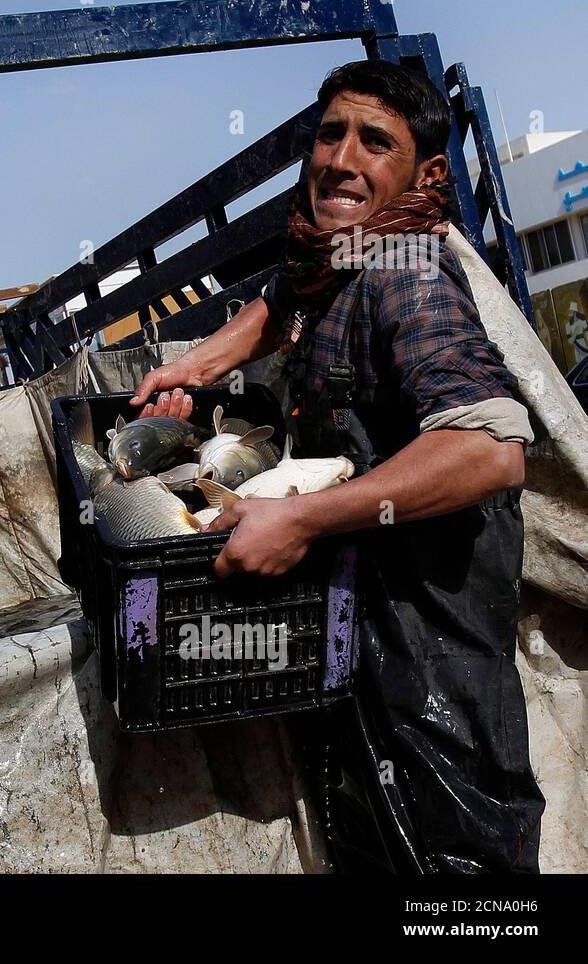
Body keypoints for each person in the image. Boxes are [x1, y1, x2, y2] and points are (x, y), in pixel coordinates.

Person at [133, 60, 544, 873]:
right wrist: (199, 367)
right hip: (361, 632)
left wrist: (301, 518)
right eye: (330, 135)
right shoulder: (335, 262)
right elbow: (279, 299)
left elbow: (492, 449)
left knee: (462, 866)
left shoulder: (409, 274)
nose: (342, 159)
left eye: (375, 142)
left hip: (435, 655)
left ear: (426, 174)